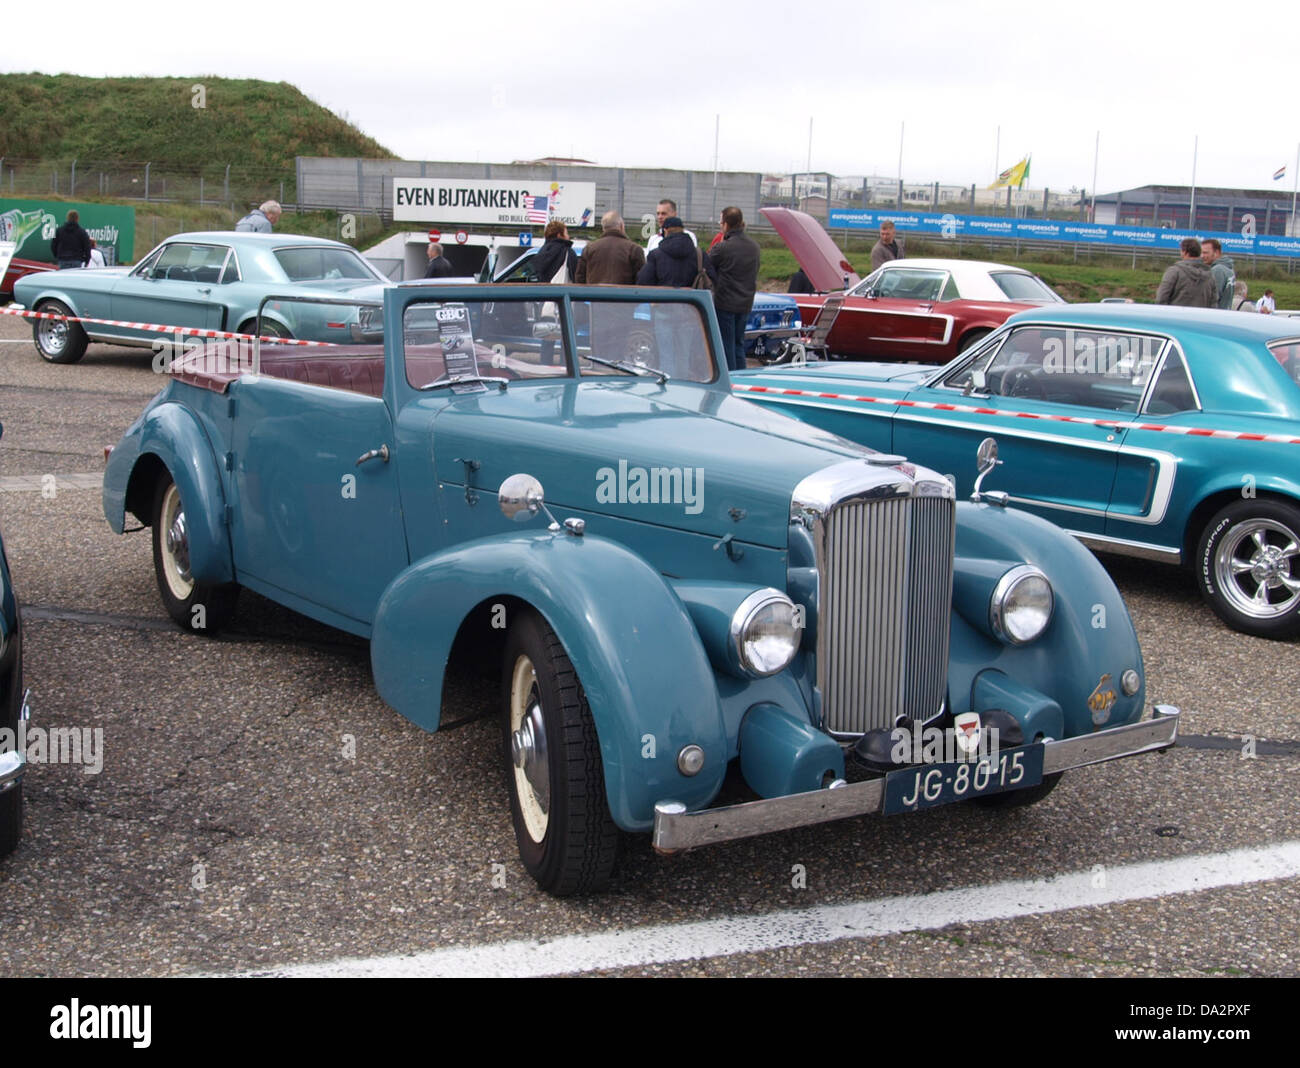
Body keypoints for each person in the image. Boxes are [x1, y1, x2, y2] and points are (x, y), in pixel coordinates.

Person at [708, 205, 761, 372]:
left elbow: (708, 268)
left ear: (725, 225)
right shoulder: (754, 247)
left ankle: (730, 377)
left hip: (724, 302)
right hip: (745, 302)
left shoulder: (722, 248)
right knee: (739, 343)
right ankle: (741, 375)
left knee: (726, 344)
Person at [637, 216, 715, 288]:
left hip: (663, 301)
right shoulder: (700, 255)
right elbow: (712, 280)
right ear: (683, 230)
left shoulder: (655, 255)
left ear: (665, 230)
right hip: (692, 301)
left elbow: (643, 281)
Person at [574, 211, 644, 284]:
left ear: (603, 229)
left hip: (594, 294)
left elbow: (580, 278)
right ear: (621, 226)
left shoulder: (589, 249)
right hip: (624, 295)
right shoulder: (634, 249)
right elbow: (642, 280)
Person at [1155, 238, 1217, 307]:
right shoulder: (1210, 275)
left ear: (1185, 252)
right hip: (1200, 317)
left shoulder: (1174, 271)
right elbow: (1213, 304)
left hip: (1175, 316)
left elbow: (1161, 298)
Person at [532, 219, 579, 283]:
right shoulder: (568, 252)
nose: (568, 236)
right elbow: (576, 275)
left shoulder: (541, 252)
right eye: (566, 233)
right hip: (563, 291)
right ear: (559, 235)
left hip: (544, 290)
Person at [1201, 238, 1235, 310]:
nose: (1202, 256)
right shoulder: (1229, 268)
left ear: (1216, 252)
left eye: (1205, 253)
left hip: (1214, 315)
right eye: (1201, 253)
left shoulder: (1217, 270)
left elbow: (1211, 298)